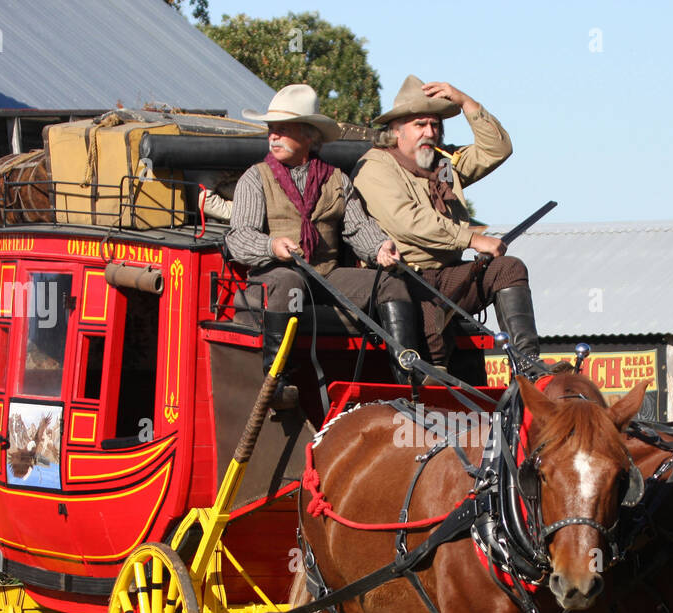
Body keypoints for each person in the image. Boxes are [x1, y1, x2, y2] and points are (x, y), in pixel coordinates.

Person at [226, 84, 425, 408]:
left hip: (327, 276)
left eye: (283, 130)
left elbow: (359, 227)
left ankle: (407, 381)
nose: (273, 137)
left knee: (390, 284)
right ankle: (277, 383)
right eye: (271, 130)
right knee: (289, 283)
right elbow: (239, 237)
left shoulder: (337, 180)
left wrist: (379, 248)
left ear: (309, 136)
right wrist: (273, 245)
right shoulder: (255, 177)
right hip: (274, 277)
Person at [353, 76, 540, 364]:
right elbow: (409, 222)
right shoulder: (375, 166)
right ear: (395, 130)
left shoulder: (443, 163)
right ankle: (430, 403)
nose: (430, 131)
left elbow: (497, 149)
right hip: (403, 279)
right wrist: (472, 239)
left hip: (448, 273)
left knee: (508, 269)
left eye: (435, 124)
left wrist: (466, 102)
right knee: (434, 339)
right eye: (420, 124)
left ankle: (528, 367)